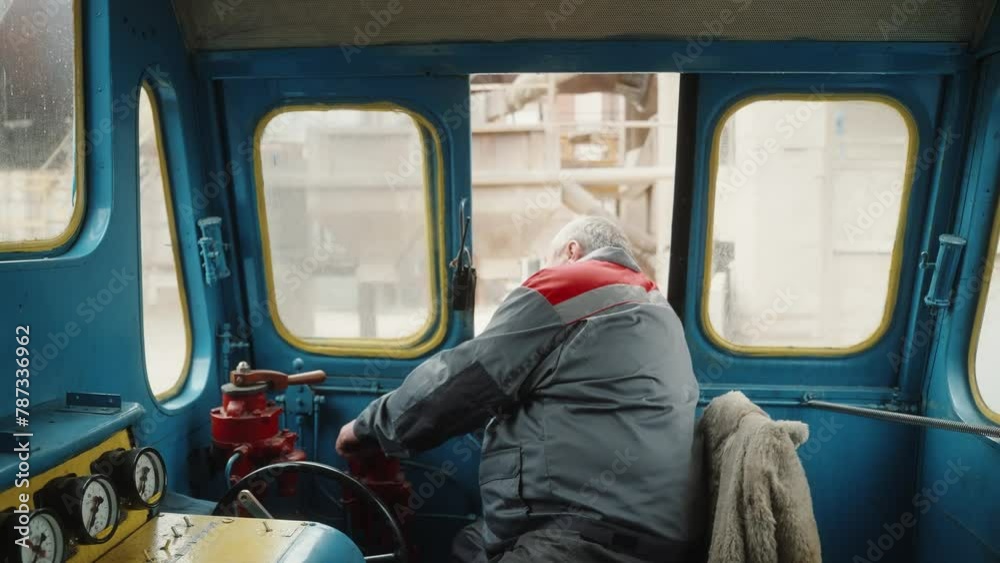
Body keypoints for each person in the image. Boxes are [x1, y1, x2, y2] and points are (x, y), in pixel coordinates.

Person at [336, 216, 702, 562]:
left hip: (585, 535)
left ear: (572, 251)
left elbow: (462, 381)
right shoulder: (657, 307)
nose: (543, 272)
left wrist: (366, 429)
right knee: (468, 542)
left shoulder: (572, 285)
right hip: (655, 533)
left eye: (548, 261)